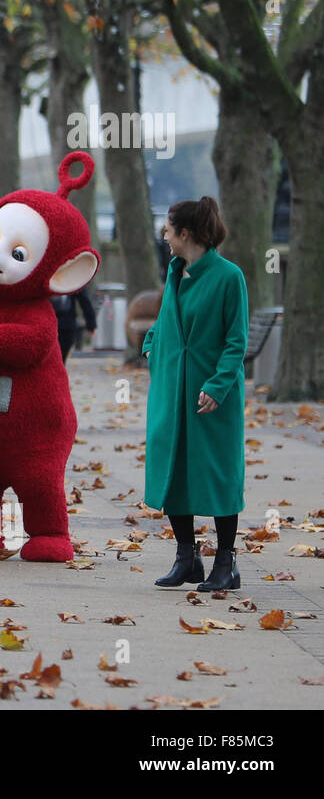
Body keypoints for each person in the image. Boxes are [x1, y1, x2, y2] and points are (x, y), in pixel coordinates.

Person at [144, 197, 248, 592]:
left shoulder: (228, 276)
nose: (165, 237)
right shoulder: (175, 271)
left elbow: (236, 341)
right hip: (172, 391)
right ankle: (187, 558)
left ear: (185, 234)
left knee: (219, 476)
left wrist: (218, 385)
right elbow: (162, 322)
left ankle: (227, 564)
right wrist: (151, 346)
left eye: (168, 230)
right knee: (175, 472)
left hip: (212, 397)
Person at [52, 286, 97, 361]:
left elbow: (84, 300)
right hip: (54, 323)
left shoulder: (73, 278)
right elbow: (84, 300)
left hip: (66, 323)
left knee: (60, 356)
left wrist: (91, 324)